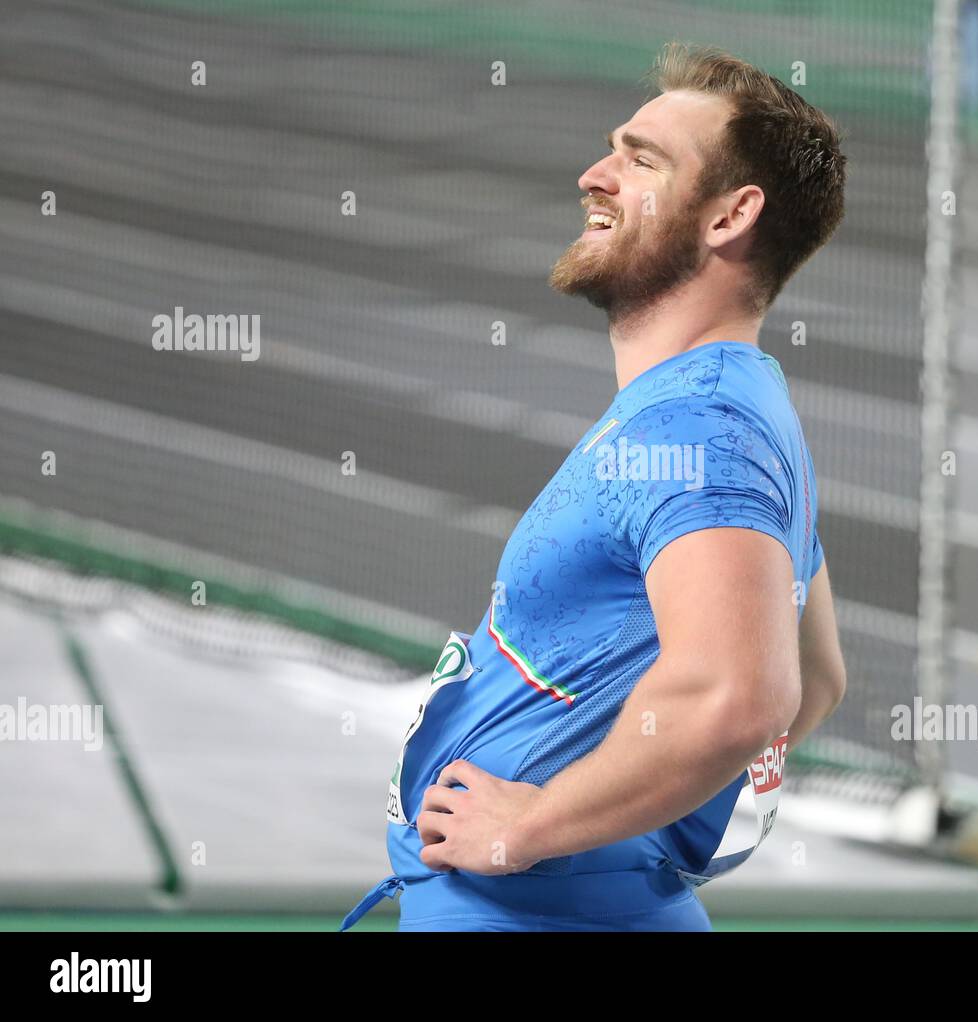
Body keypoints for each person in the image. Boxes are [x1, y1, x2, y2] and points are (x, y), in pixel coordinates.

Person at [340, 41, 849, 932]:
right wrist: (635, 824)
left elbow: (746, 695)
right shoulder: (732, 403)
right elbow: (814, 675)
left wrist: (538, 825)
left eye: (641, 159)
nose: (595, 175)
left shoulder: (699, 430)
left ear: (730, 216)